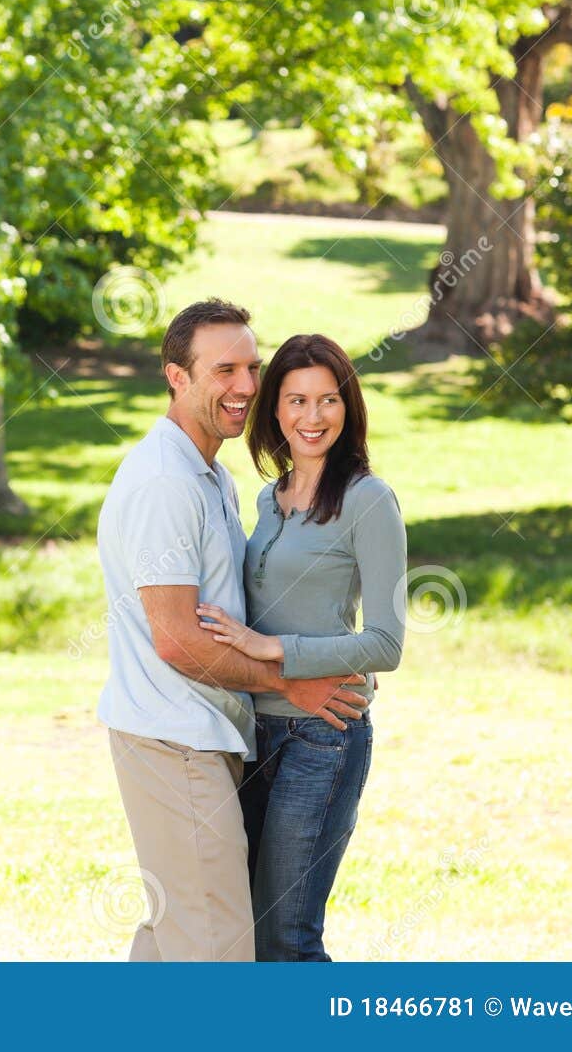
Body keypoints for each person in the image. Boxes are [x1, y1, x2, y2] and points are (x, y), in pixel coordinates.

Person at [97, 301, 369, 962]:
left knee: (174, 941)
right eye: (224, 368)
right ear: (177, 377)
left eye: (252, 366)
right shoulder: (166, 481)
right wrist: (292, 685)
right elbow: (176, 638)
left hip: (199, 734)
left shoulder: (210, 474)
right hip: (176, 739)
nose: (246, 385)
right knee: (217, 950)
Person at [196, 333, 407, 961]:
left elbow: (387, 643)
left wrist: (274, 650)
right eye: (296, 401)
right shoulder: (269, 497)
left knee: (289, 937)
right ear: (275, 410)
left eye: (327, 401)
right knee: (251, 936)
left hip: (323, 735)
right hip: (254, 733)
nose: (312, 418)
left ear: (349, 408)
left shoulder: (369, 501)